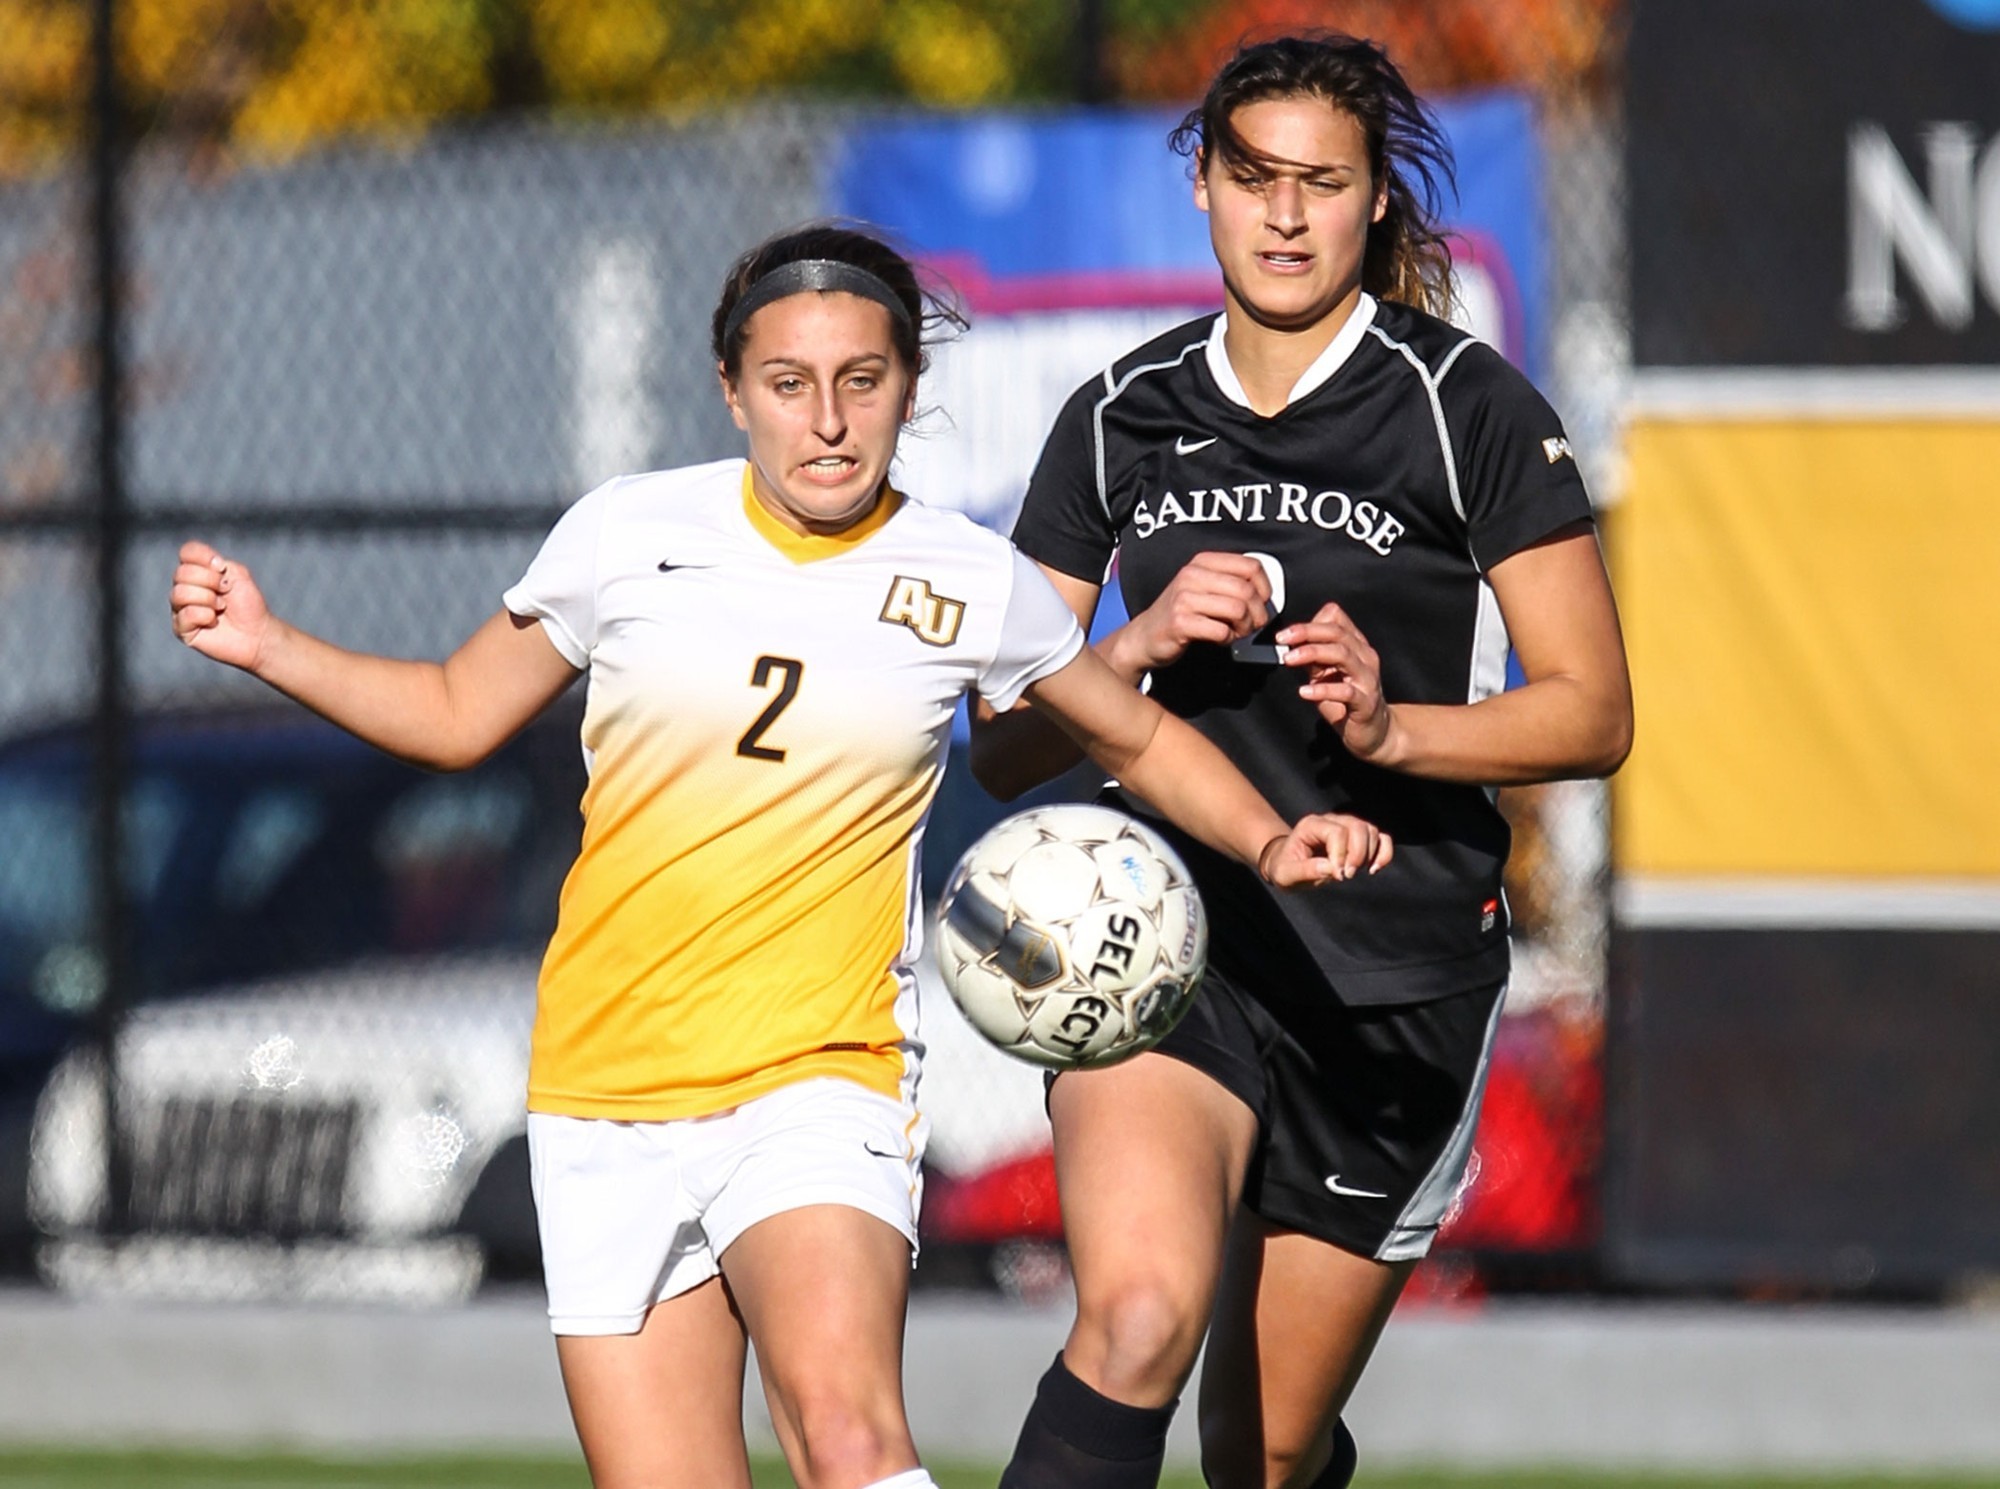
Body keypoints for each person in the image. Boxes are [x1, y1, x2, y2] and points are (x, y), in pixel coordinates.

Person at [167, 223, 1391, 1489]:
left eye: (862, 381)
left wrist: (1265, 834)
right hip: (603, 1091)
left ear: (907, 393)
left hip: (821, 1079)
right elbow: (450, 709)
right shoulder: (626, 534)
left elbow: (1129, 728)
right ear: (731, 391)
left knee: (847, 1436)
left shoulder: (968, 580)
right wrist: (272, 645)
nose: (826, 421)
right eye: (789, 384)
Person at [971, 34, 1634, 1489]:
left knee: (1260, 1447)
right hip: (1170, 938)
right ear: (1200, 186)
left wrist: (1396, 729)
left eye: (1321, 183)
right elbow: (1009, 743)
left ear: (1376, 204)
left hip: (1394, 971)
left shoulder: (1474, 415)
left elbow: (1593, 714)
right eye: (1253, 176)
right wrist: (1132, 644)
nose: (1284, 214)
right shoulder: (1115, 418)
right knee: (1138, 1316)